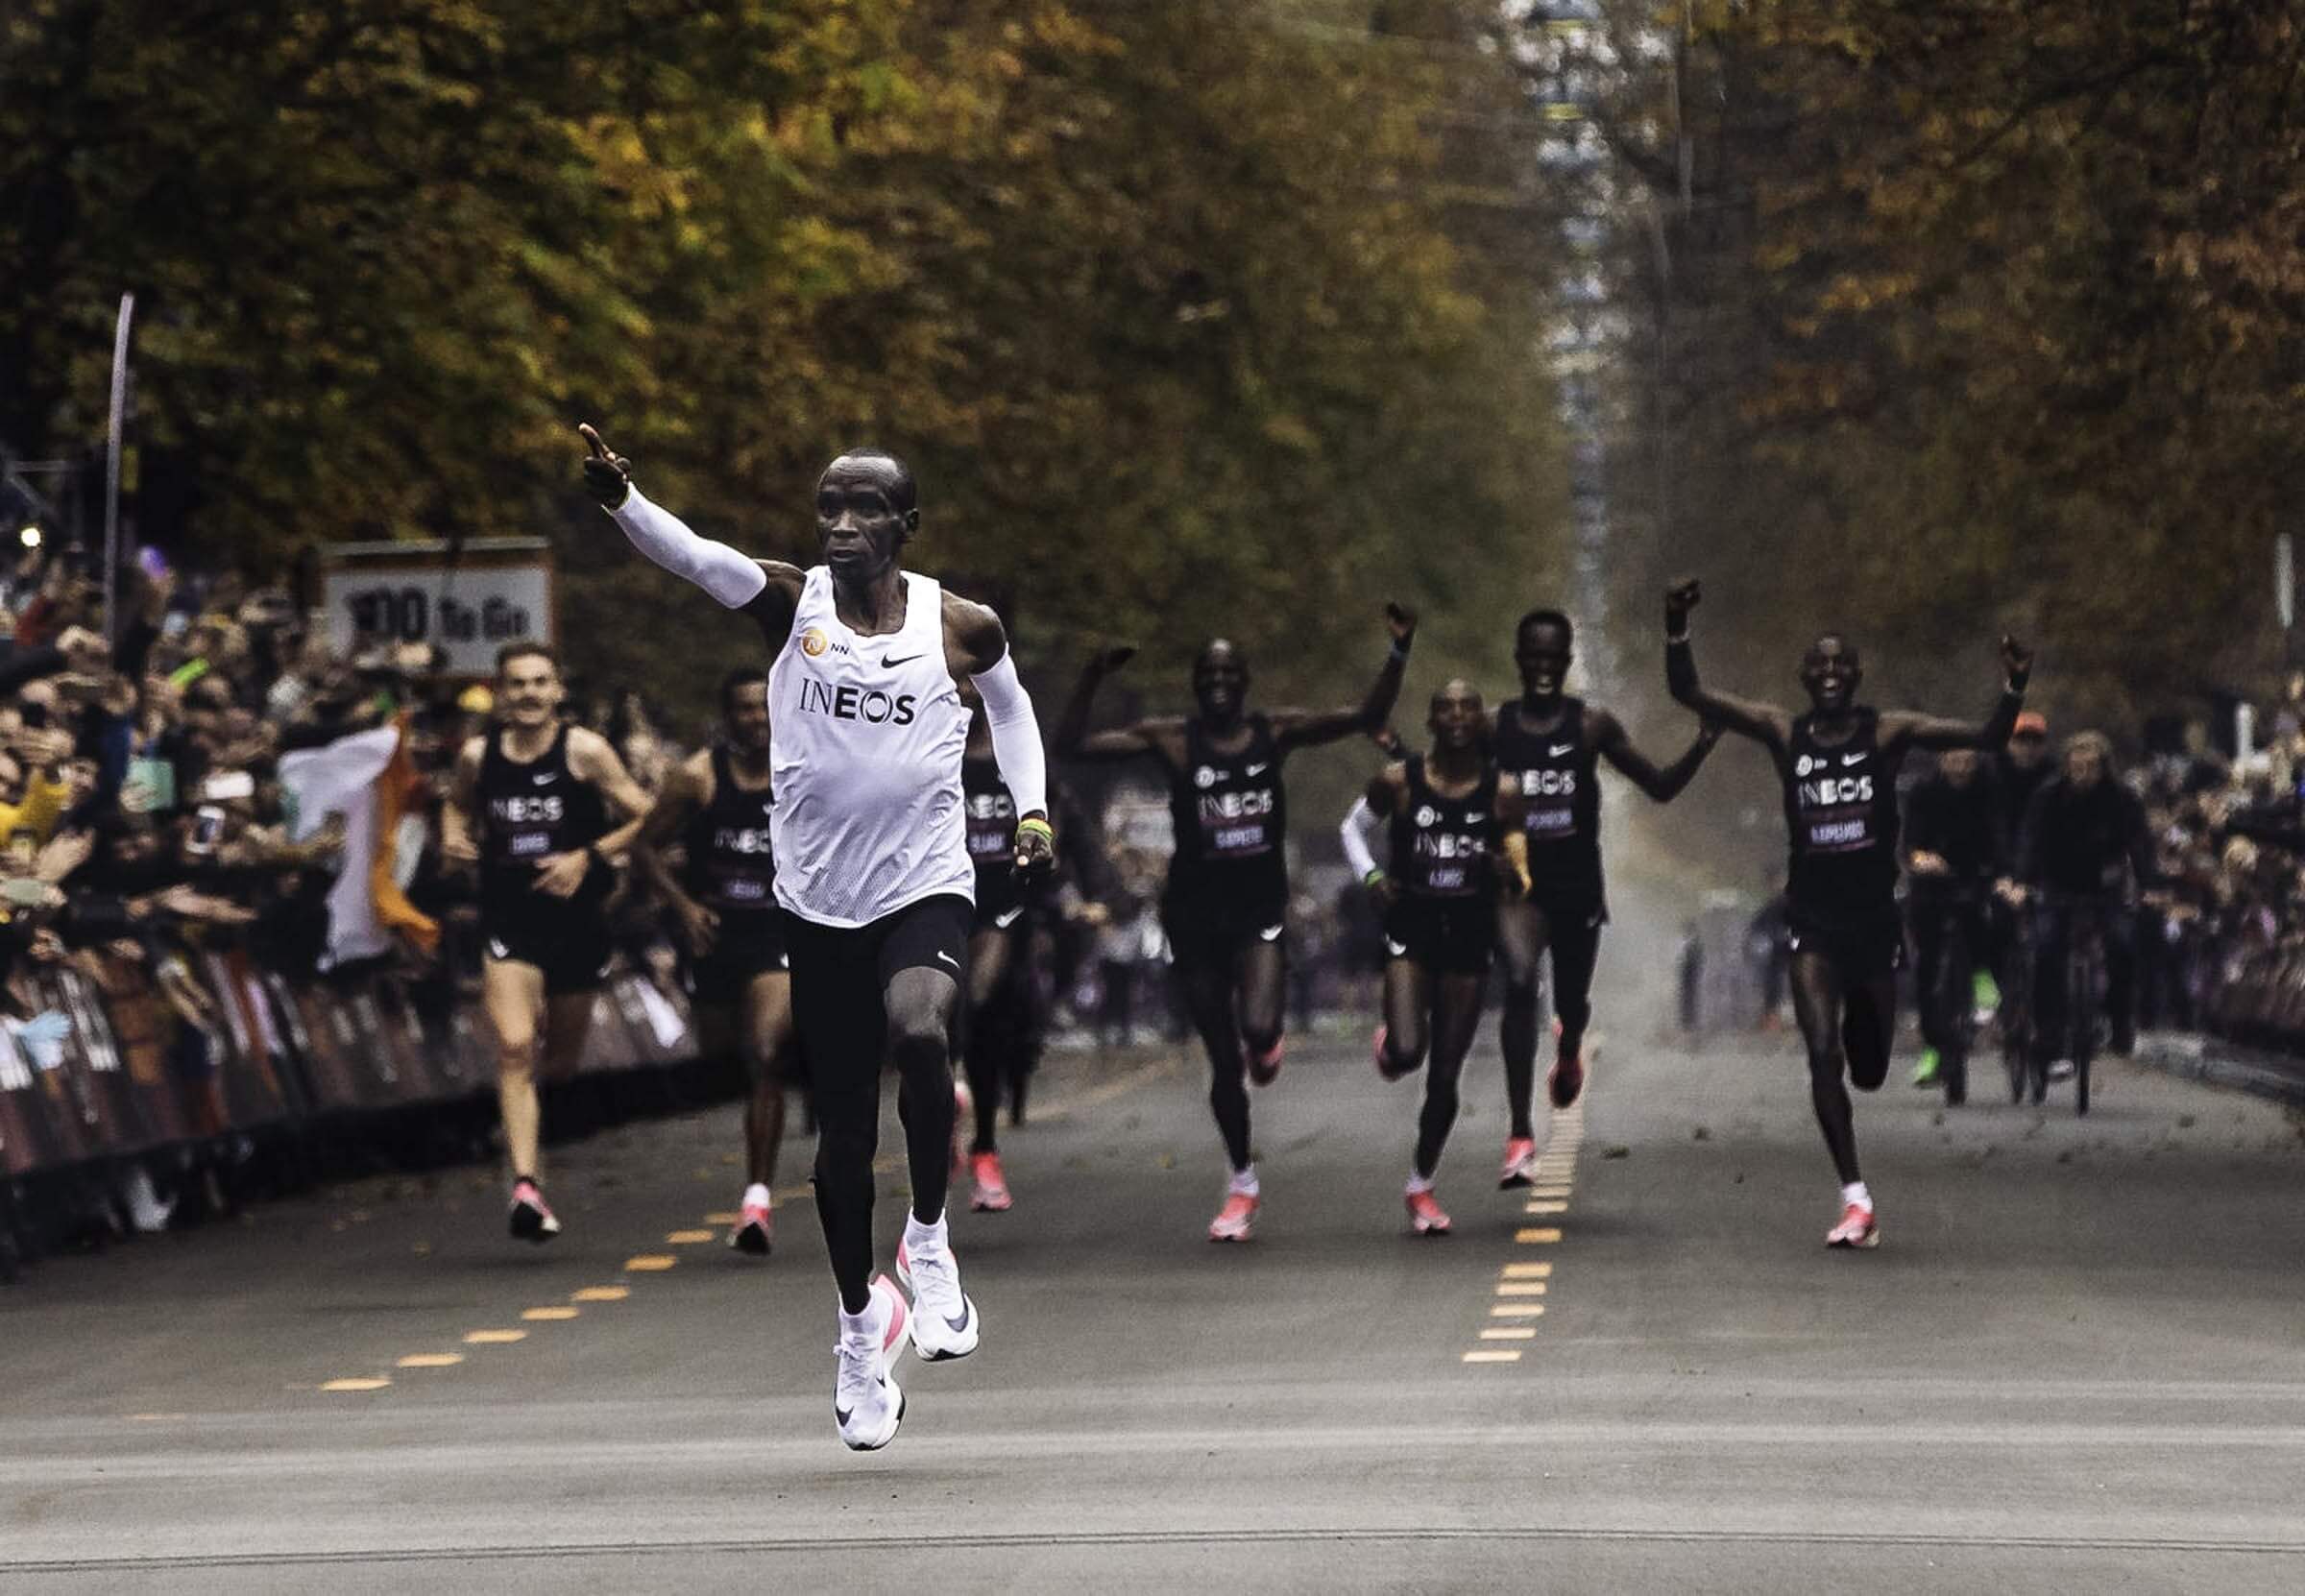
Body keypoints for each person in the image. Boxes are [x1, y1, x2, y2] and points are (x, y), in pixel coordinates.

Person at [582, 423, 1054, 1453]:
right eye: (829, 506)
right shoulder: (790, 606)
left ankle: (928, 1242)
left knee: (922, 1033)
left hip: (926, 884)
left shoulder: (961, 625)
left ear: (906, 524)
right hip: (819, 904)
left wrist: (1032, 815)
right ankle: (857, 1327)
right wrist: (624, 500)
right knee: (842, 1138)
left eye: (865, 508)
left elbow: (1013, 715)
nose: (842, 524)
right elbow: (694, 557)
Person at [1663, 578, 2029, 1248]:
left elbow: (1986, 735)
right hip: (1812, 918)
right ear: (1804, 677)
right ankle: (1855, 1196)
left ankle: (1862, 1126)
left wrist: (2014, 686)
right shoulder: (1784, 731)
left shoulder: (1887, 732)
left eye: (1841, 664)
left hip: (1873, 920)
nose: (1830, 672)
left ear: (1857, 676)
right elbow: (1689, 692)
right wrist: (1676, 626)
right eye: (1819, 664)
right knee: (1822, 1052)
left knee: (1868, 1067)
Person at [1055, 608, 1416, 1242]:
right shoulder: (1173, 739)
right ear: (1197, 685)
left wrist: (1399, 652)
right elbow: (1073, 746)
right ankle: (1242, 1181)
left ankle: (1266, 1041)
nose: (1219, 682)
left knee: (1258, 1026)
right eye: (1209, 674)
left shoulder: (1274, 732)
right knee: (1224, 1061)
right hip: (1193, 915)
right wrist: (1090, 675)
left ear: (1245, 683)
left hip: (1258, 910)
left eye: (1229, 673)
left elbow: (1363, 715)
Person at [1488, 608, 1719, 1186]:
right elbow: (1452, 789)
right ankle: (1520, 1135)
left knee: (1571, 1005)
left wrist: (1703, 743)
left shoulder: (1590, 726)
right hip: (1519, 889)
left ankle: (1569, 1050)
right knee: (1519, 985)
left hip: (1577, 888)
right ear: (1519, 660)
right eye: (1534, 656)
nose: (1544, 667)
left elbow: (1658, 787)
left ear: (1567, 661)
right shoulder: (1495, 728)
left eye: (1554, 657)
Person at [442, 642, 651, 1244]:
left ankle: (524, 1133)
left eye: (540, 682)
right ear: (501, 695)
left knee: (557, 1062)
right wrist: (454, 837)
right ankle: (526, 1186)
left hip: (576, 925)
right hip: (509, 918)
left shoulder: (584, 750)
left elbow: (648, 814)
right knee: (514, 1046)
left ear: (558, 691)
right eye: (517, 684)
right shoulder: (479, 756)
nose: (529, 693)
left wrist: (587, 856)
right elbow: (455, 808)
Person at [1340, 681, 1530, 1233]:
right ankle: (1393, 1046)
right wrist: (1371, 877)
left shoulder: (1504, 792)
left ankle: (1421, 1184)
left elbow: (1521, 876)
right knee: (1408, 1051)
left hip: (1469, 935)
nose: (1457, 716)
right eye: (1445, 707)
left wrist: (1507, 872)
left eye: (1468, 707)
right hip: (1412, 927)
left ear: (1480, 722)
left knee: (1445, 1074)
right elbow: (1352, 829)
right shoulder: (1399, 781)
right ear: (1431, 721)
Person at [633, 665, 796, 1256]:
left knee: (766, 1053)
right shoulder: (697, 777)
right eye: (744, 709)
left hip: (777, 933)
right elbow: (644, 846)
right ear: (727, 717)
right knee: (725, 1057)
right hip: (714, 935)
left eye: (764, 707)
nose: (756, 719)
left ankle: (757, 1198)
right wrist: (683, 907)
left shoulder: (802, 770)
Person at [2007, 732, 2155, 1071]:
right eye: (2077, 767)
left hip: (2104, 886)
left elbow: (2140, 842)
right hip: (2056, 884)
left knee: (2123, 944)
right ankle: (2049, 1033)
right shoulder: (2048, 796)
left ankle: (2119, 1021)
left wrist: (2150, 884)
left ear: (2104, 768)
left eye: (2091, 767)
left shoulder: (2121, 798)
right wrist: (2022, 881)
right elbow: (2030, 840)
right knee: (2047, 948)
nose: (2083, 774)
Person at [1902, 748, 2004, 1092]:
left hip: (1976, 875)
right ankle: (1933, 1048)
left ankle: (1982, 977)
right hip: (1931, 882)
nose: (1960, 768)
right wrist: (1920, 858)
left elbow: (1999, 835)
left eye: (1966, 761)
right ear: (1941, 761)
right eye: (1953, 760)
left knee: (1984, 919)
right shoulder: (1923, 792)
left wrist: (2000, 871)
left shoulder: (1989, 790)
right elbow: (1910, 840)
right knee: (1927, 967)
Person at [958, 707, 1027, 1212]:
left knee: (979, 1008)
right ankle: (944, 1104)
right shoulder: (920, 739)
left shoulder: (1014, 746)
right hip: (933, 897)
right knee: (926, 1022)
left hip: (1000, 906)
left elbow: (1053, 814)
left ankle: (984, 1148)